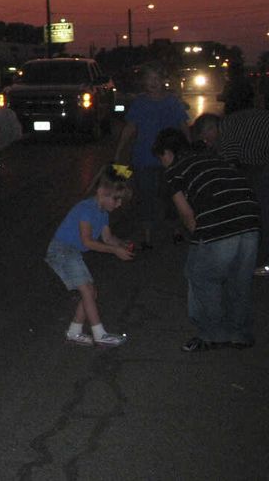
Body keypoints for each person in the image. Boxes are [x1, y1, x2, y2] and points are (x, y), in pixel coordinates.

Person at [154, 127, 260, 351]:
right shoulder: (214, 158)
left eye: (161, 157)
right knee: (239, 280)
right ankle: (239, 334)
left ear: (168, 153)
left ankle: (212, 334)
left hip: (219, 223)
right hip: (250, 220)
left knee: (200, 276)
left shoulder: (175, 171)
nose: (162, 162)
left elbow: (186, 214)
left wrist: (199, 238)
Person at [44, 164, 135, 347]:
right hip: (62, 250)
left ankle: (74, 332)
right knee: (87, 290)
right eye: (116, 200)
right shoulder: (86, 208)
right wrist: (115, 251)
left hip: (70, 252)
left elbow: (107, 238)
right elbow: (87, 241)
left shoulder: (102, 213)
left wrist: (121, 244)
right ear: (102, 192)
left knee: (91, 292)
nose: (118, 205)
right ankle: (99, 334)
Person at [114, 65, 189, 248]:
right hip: (144, 158)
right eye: (149, 79)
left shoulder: (172, 102)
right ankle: (147, 236)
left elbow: (183, 126)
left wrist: (188, 150)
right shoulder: (140, 103)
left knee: (172, 195)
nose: (153, 83)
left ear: (163, 80)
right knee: (146, 197)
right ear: (144, 82)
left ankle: (176, 230)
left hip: (170, 159)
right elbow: (130, 128)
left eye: (156, 78)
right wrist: (119, 151)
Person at [193, 110, 269, 276]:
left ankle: (262, 262)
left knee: (263, 212)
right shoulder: (232, 123)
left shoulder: (226, 135)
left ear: (211, 129)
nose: (208, 143)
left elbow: (229, 171)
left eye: (206, 138)